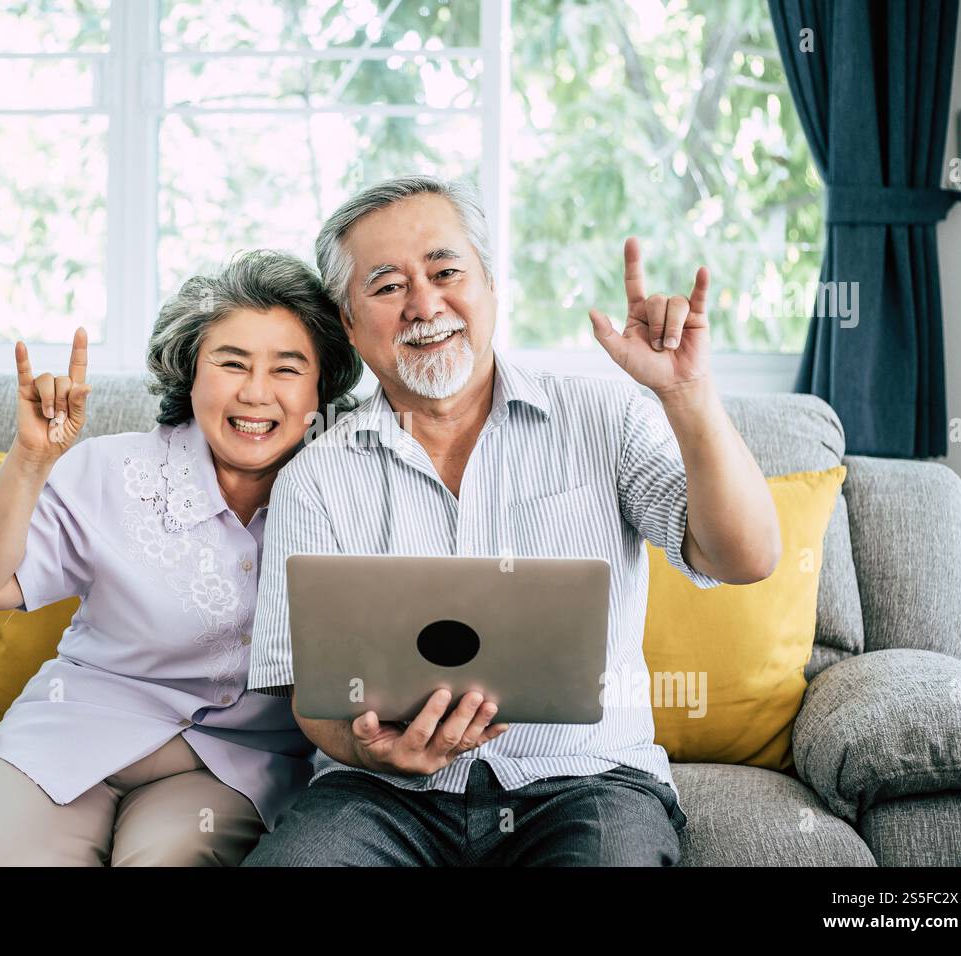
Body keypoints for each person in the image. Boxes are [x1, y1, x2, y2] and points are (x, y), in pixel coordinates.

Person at [242, 176, 782, 867]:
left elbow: (746, 557)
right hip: (379, 795)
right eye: (387, 287)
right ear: (348, 323)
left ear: (492, 287)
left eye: (445, 272)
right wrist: (371, 746)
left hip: (588, 782)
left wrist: (687, 394)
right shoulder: (315, 475)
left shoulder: (606, 420)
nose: (425, 305)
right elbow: (308, 694)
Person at [0, 250, 362, 865]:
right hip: (70, 734)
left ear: (320, 388)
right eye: (231, 362)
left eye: (286, 368)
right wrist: (31, 461)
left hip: (230, 765)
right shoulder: (110, 469)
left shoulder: (348, 494)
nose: (255, 393)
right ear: (189, 374)